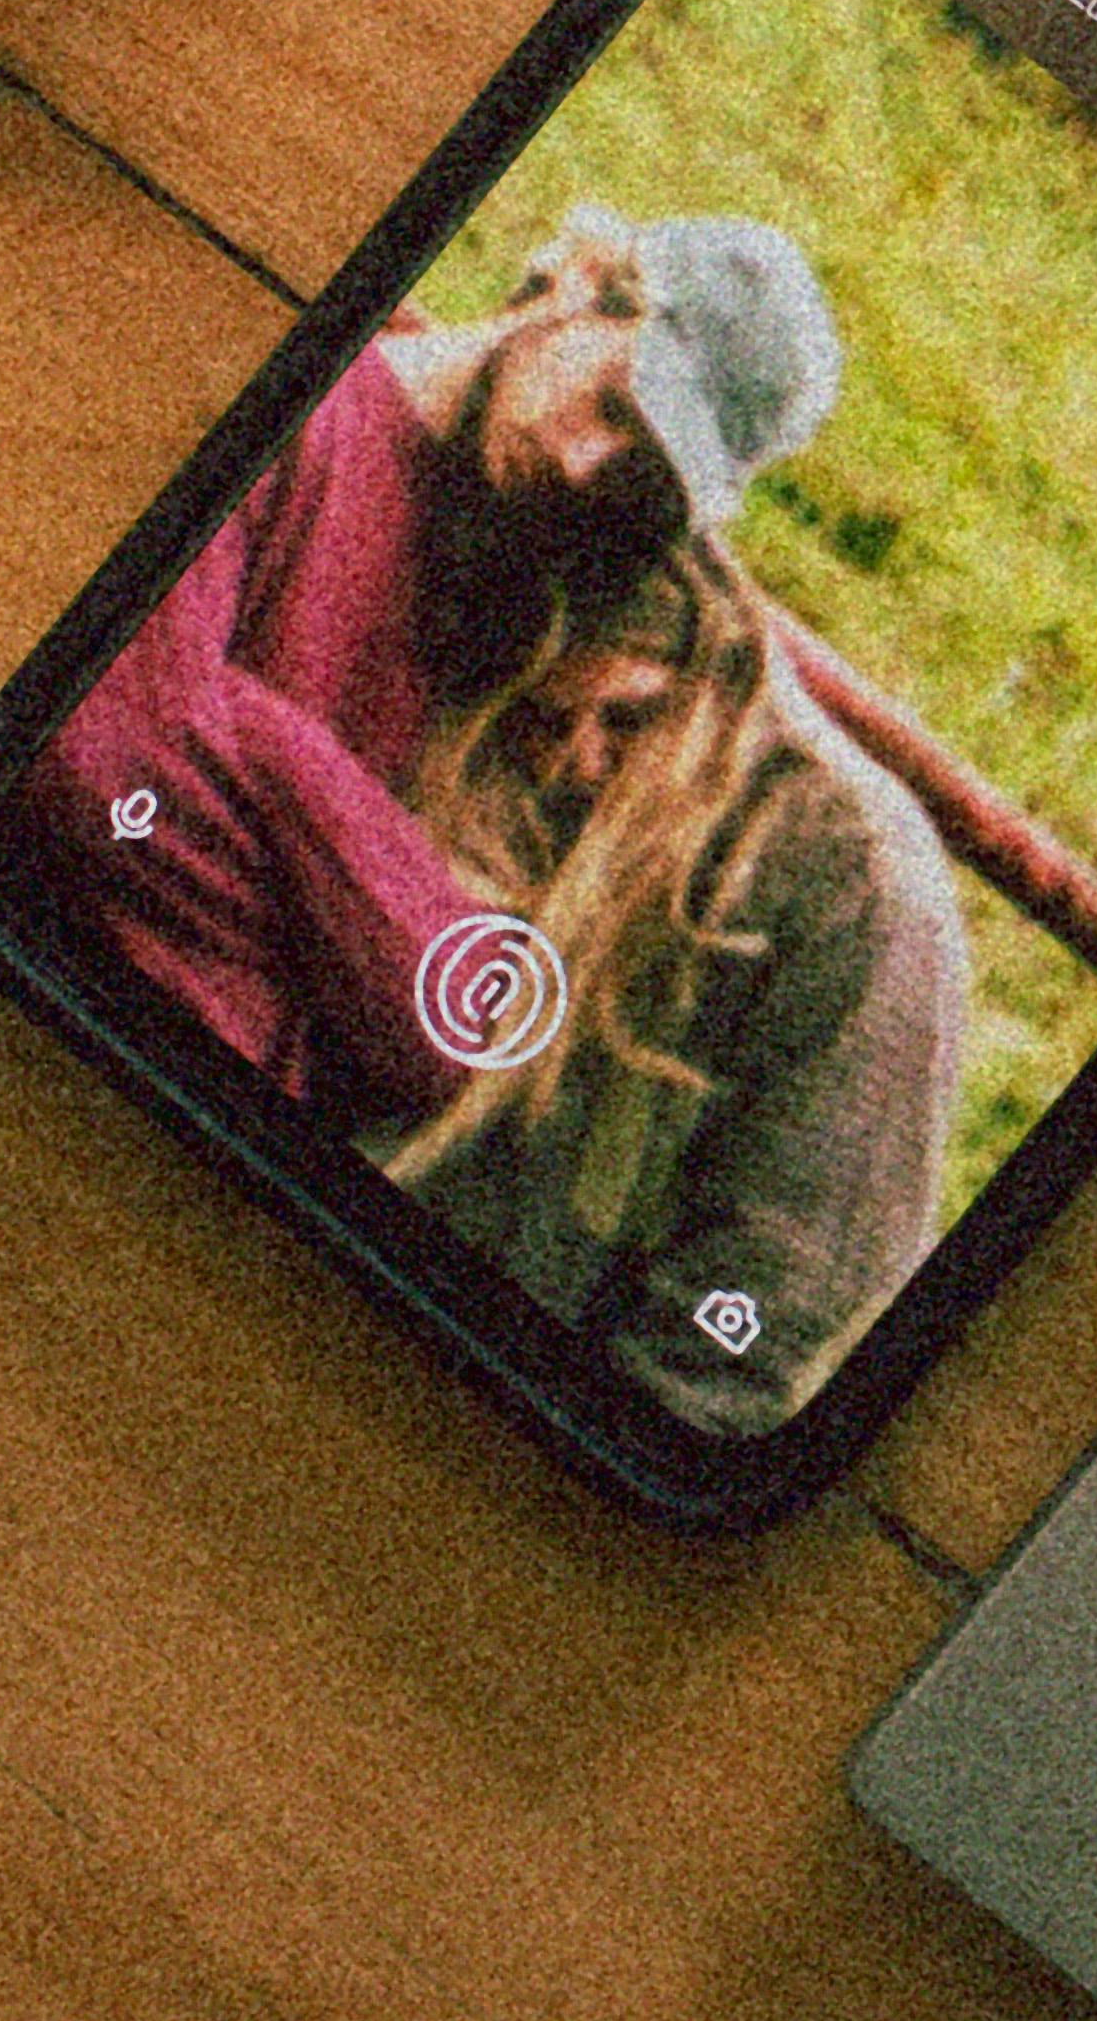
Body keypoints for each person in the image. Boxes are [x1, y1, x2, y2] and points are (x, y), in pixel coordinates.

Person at [24, 203, 844, 1127]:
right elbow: (104, 766)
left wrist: (264, 742)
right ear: (584, 284)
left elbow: (463, 1036)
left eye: (639, 467)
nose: (583, 463)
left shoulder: (525, 588)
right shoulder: (305, 391)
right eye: (614, 403)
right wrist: (300, 998)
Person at [384, 530, 968, 1430]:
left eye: (623, 719)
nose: (569, 763)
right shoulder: (488, 745)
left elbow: (774, 1301)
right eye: (540, 718)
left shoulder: (858, 889)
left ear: (711, 681)